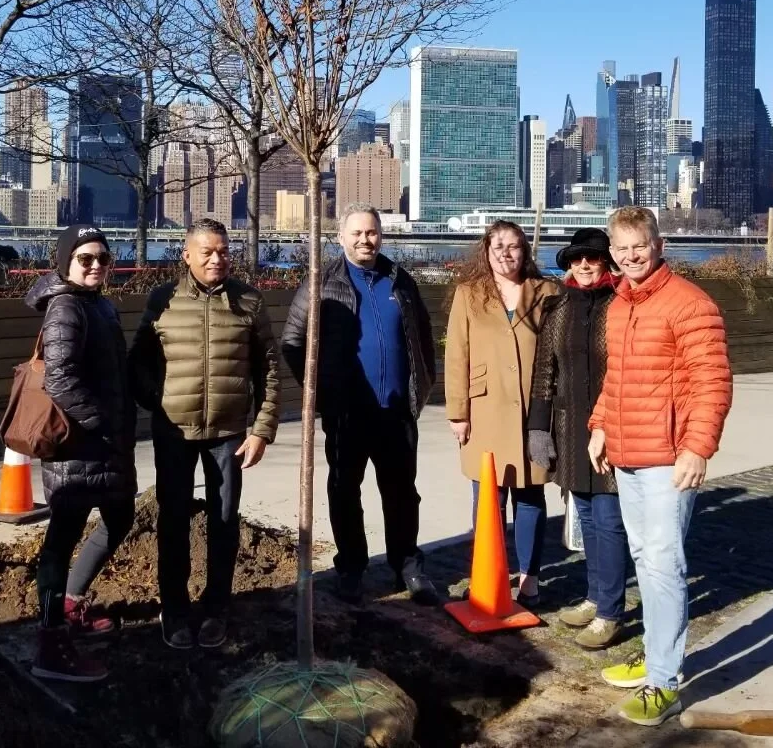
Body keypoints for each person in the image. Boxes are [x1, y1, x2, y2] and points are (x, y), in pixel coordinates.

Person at [588, 206, 732, 726]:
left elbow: (711, 383)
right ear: (612, 252)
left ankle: (664, 681)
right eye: (621, 249)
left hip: (669, 458)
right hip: (627, 453)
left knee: (664, 566)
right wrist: (600, 424)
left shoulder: (690, 304)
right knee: (646, 559)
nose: (630, 257)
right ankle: (656, 656)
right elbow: (617, 378)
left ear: (660, 244)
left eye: (639, 246)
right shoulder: (620, 303)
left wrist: (698, 448)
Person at [130, 218, 281, 650]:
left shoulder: (249, 302)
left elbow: (269, 370)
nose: (217, 259)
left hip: (229, 434)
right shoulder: (164, 300)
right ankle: (174, 609)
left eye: (224, 251)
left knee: (224, 520)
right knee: (173, 521)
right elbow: (137, 362)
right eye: (208, 252)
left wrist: (262, 430)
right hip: (173, 432)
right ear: (187, 254)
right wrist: (156, 401)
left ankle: (217, 607)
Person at [280, 203, 438, 606]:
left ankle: (408, 566)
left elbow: (421, 335)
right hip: (348, 411)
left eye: (372, 232)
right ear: (341, 237)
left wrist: (423, 385)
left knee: (403, 492)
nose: (366, 240)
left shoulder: (399, 279)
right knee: (345, 490)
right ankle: (351, 566)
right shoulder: (322, 281)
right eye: (357, 233)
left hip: (397, 410)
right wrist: (322, 392)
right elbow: (293, 341)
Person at [26, 225, 136, 683]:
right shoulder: (66, 307)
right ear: (65, 261)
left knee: (121, 519)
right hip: (79, 448)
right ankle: (50, 645)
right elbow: (60, 379)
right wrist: (103, 423)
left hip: (106, 447)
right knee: (60, 541)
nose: (95, 265)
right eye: (85, 258)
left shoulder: (98, 303)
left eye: (102, 259)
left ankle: (70, 602)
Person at [444, 220, 559, 604]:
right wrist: (458, 413)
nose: (506, 254)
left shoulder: (547, 292)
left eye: (514, 246)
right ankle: (487, 574)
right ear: (486, 251)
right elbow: (456, 355)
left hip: (534, 410)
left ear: (525, 251)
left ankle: (529, 576)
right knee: (488, 498)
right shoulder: (469, 294)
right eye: (498, 247)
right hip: (485, 409)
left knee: (530, 497)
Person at [527, 228, 627, 649]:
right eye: (576, 259)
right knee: (585, 520)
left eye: (593, 257)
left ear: (607, 262)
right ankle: (593, 596)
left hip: (613, 428)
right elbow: (544, 371)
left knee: (608, 521)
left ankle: (610, 613)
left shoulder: (621, 305)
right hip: (570, 429)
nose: (584, 265)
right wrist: (537, 427)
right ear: (567, 265)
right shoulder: (559, 307)